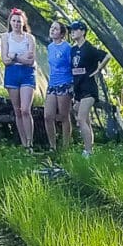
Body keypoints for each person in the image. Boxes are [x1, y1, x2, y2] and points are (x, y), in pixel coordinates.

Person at [69, 20, 110, 158]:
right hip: (78, 89)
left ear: (83, 31)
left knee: (81, 119)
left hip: (89, 88)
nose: (72, 32)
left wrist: (99, 69)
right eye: (71, 29)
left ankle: (88, 151)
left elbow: (107, 55)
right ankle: (89, 146)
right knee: (82, 117)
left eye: (75, 29)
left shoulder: (89, 48)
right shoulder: (73, 50)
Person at [1, 8, 36, 150]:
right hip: (12, 74)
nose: (16, 24)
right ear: (10, 22)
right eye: (14, 21)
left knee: (25, 109)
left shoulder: (29, 38)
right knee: (17, 110)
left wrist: (14, 56)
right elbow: (5, 59)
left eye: (19, 21)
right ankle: (24, 143)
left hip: (27, 73)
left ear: (23, 23)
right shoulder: (6, 37)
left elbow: (31, 60)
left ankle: (30, 141)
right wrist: (20, 57)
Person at [44, 20, 73, 151]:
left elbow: (72, 66)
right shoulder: (50, 47)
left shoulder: (67, 48)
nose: (52, 30)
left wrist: (72, 85)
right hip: (52, 84)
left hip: (64, 83)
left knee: (63, 116)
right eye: (51, 28)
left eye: (55, 29)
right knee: (48, 116)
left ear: (62, 34)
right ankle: (52, 146)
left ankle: (65, 146)